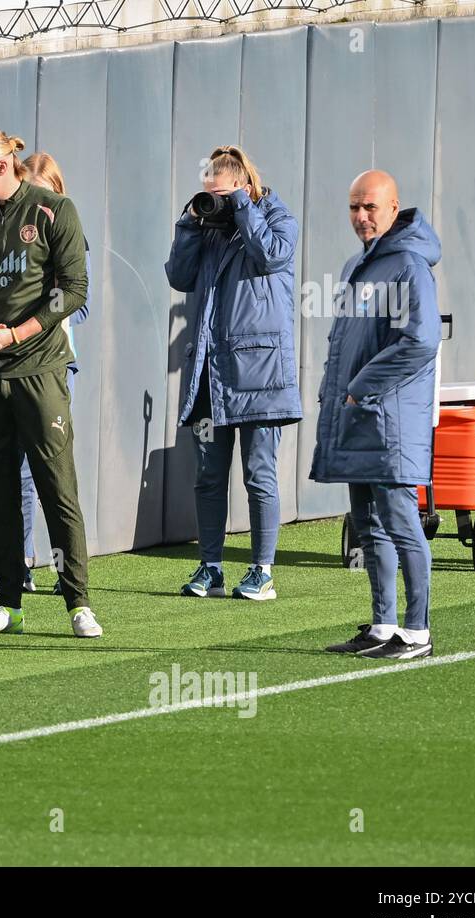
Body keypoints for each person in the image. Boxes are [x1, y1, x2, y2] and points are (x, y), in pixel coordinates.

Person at [0, 128, 101, 638]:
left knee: (58, 487)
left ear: (3, 166)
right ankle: (8, 601)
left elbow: (73, 292)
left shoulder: (55, 210)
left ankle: (78, 602)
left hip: (41, 369)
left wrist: (15, 333)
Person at [165, 145, 301, 601]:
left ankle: (262, 571)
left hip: (258, 373)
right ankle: (211, 567)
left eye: (220, 194)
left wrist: (243, 207)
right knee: (208, 474)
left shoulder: (276, 218)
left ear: (243, 188)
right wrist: (190, 223)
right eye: (208, 194)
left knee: (259, 473)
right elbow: (179, 277)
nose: (214, 202)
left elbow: (272, 256)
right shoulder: (209, 231)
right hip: (212, 372)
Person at [313, 169, 440, 660]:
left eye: (370, 207)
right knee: (367, 524)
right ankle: (384, 626)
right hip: (361, 417)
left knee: (400, 520)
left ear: (393, 208)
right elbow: (346, 345)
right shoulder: (356, 266)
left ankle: (417, 632)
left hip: (391, 421)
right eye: (353, 207)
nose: (361, 217)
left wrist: (360, 389)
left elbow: (421, 341)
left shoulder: (409, 264)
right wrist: (338, 396)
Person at [16, 152, 90, 593]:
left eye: (45, 193)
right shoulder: (7, 234)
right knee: (20, 472)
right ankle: (21, 563)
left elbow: (84, 302)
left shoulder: (71, 233)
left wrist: (44, 315)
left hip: (58, 364)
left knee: (55, 470)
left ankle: (68, 573)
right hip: (13, 362)